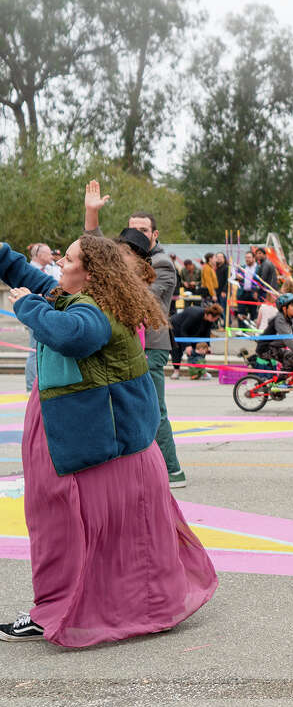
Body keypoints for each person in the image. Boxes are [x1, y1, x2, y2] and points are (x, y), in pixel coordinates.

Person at [0, 236, 217, 645]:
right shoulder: (92, 296)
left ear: (90, 273)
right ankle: (152, 607)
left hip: (93, 447)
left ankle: (55, 612)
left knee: (60, 530)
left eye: (68, 259)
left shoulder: (93, 309)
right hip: (112, 445)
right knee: (130, 538)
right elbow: (32, 277)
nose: (60, 263)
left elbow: (72, 335)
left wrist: (27, 305)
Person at [83, 180, 186, 489]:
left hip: (151, 345)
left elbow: (135, 295)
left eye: (143, 229)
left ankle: (172, 470)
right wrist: (92, 215)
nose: (137, 233)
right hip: (129, 343)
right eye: (132, 229)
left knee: (153, 408)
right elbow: (101, 252)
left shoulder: (161, 264)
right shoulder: (129, 259)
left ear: (155, 234)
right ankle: (140, 469)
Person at [24, 243, 60, 392]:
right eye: (48, 253)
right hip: (35, 314)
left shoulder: (51, 269)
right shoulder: (29, 271)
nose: (51, 256)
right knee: (34, 349)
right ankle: (31, 386)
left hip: (47, 314)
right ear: (39, 255)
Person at [256, 293, 293, 386]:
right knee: (291, 360)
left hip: (275, 347)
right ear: (285, 308)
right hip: (265, 348)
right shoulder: (280, 319)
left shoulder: (291, 318)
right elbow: (287, 338)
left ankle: (279, 383)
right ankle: (278, 384)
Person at [170, 303, 222, 378]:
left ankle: (200, 371)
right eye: (215, 318)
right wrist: (187, 345)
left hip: (193, 331)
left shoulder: (209, 321)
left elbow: (207, 333)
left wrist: (207, 346)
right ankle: (176, 371)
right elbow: (184, 330)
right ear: (210, 315)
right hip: (177, 327)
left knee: (201, 349)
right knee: (177, 349)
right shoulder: (195, 315)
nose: (215, 320)